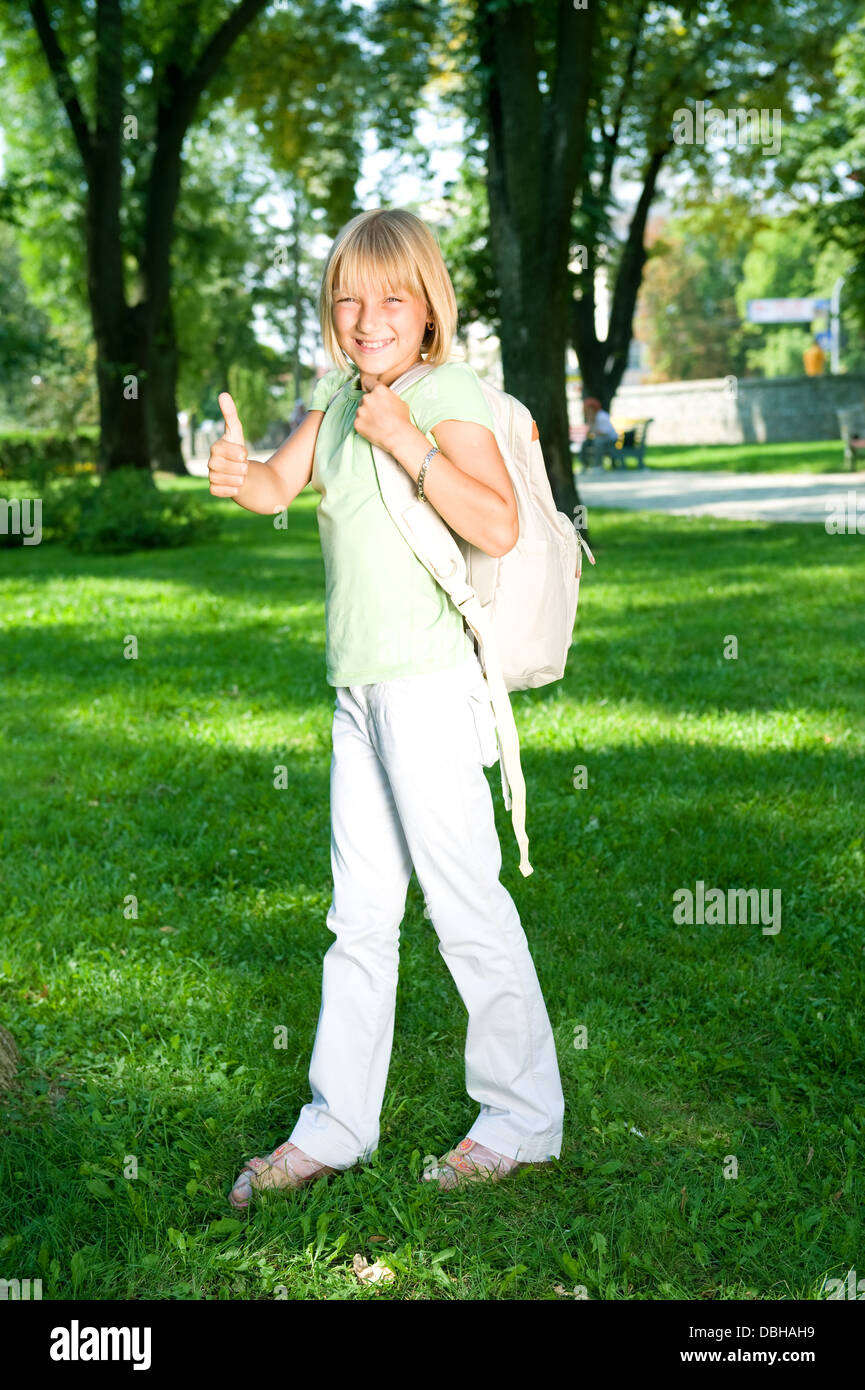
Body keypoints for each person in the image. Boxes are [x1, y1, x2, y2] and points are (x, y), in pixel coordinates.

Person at [207, 207, 564, 1205]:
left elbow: (494, 521)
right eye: (347, 299)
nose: (365, 317)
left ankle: (523, 1120)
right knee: (357, 917)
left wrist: (408, 439)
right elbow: (278, 487)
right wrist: (238, 473)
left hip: (428, 689)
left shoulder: (443, 391)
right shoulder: (336, 393)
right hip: (357, 691)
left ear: (428, 307)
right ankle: (335, 1126)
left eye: (389, 298)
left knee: (464, 908)